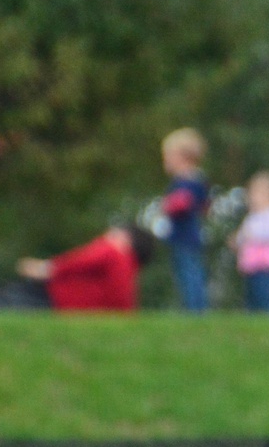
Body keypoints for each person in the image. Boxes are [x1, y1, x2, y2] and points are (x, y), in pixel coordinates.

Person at [16, 226, 158, 311]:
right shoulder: (130, 272)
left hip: (59, 302)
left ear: (126, 239)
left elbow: (77, 262)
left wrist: (43, 268)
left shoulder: (114, 253)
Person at [160, 128, 211, 312]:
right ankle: (193, 307)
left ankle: (195, 308)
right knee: (186, 272)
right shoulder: (195, 180)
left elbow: (183, 203)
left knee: (189, 273)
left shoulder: (187, 181)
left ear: (182, 157)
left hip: (185, 236)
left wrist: (168, 205)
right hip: (186, 235)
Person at [231, 171, 269, 312]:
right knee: (252, 294)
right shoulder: (252, 217)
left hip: (268, 263)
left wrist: (254, 237)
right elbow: (244, 234)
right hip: (252, 263)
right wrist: (237, 241)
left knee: (265, 293)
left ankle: (268, 314)